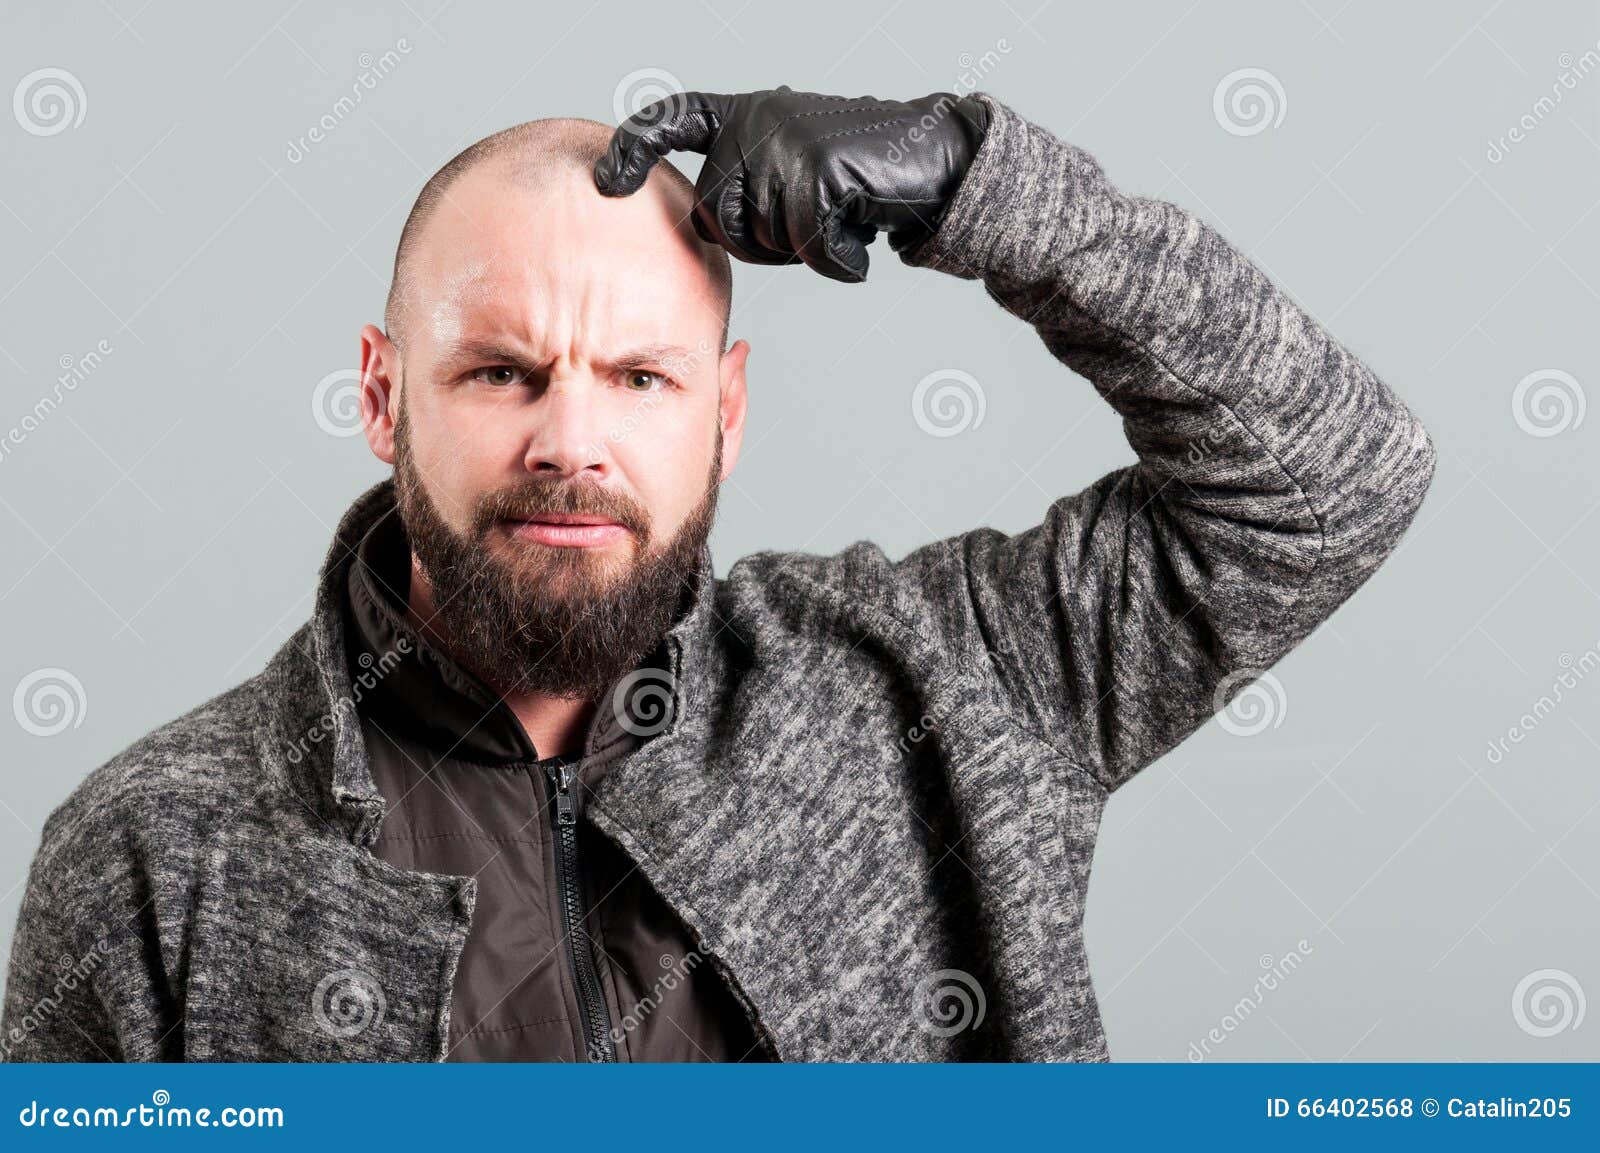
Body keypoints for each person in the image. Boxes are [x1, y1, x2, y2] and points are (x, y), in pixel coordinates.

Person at [1, 86, 1434, 1062]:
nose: (573, 441)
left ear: (727, 410)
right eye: (501, 370)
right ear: (383, 396)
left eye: (639, 374)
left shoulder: (946, 678)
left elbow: (1332, 478)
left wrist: (974, 181)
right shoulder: (155, 852)